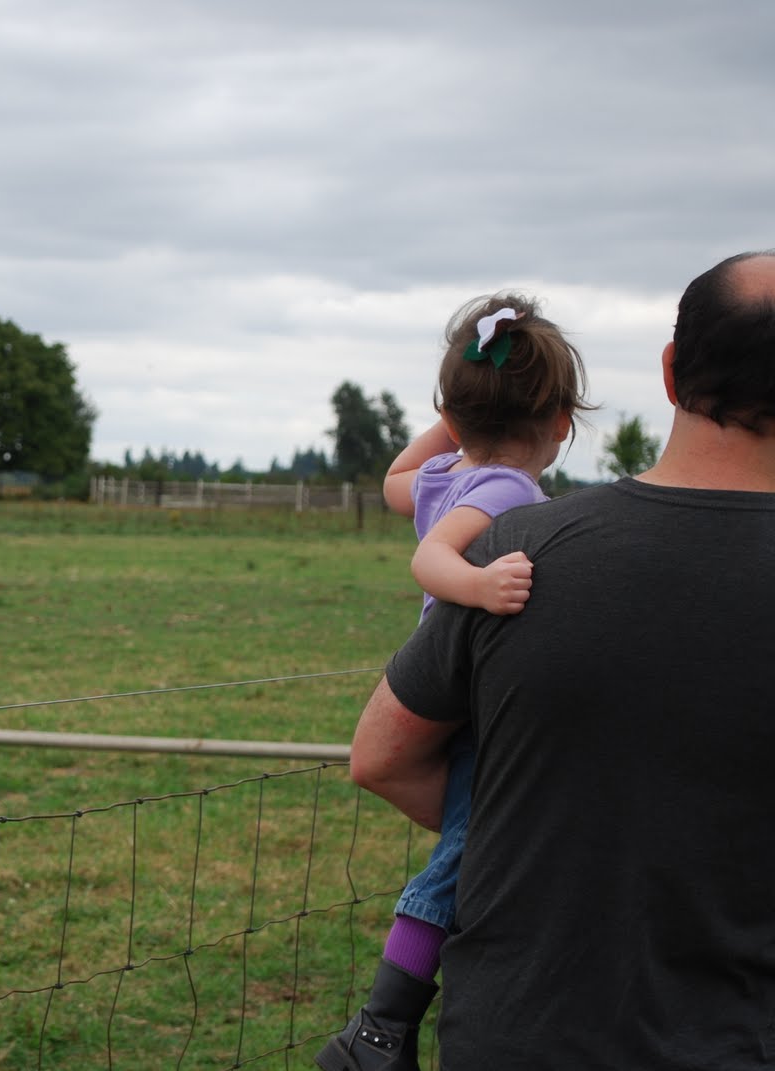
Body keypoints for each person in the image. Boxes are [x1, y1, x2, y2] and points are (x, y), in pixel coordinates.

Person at [348, 250, 775, 1069]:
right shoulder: (504, 518)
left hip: (516, 1030)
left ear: (672, 369)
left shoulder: (521, 549)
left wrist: (551, 829)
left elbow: (379, 756)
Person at [315, 293, 593, 1071]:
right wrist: (480, 588)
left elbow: (395, 479)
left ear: (453, 414)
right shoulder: (505, 488)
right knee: (465, 853)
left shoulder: (446, 470)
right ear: (562, 423)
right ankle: (377, 1028)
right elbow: (429, 558)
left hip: (434, 674)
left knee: (488, 832)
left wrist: (452, 418)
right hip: (474, 690)